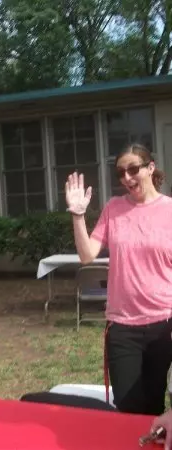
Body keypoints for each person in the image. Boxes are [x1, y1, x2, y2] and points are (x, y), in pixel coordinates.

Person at [66, 143, 172, 416]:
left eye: (133, 169)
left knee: (155, 405)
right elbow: (88, 255)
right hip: (123, 327)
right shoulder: (114, 208)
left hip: (164, 326)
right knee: (128, 408)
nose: (127, 178)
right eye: (121, 173)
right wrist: (78, 216)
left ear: (150, 168)